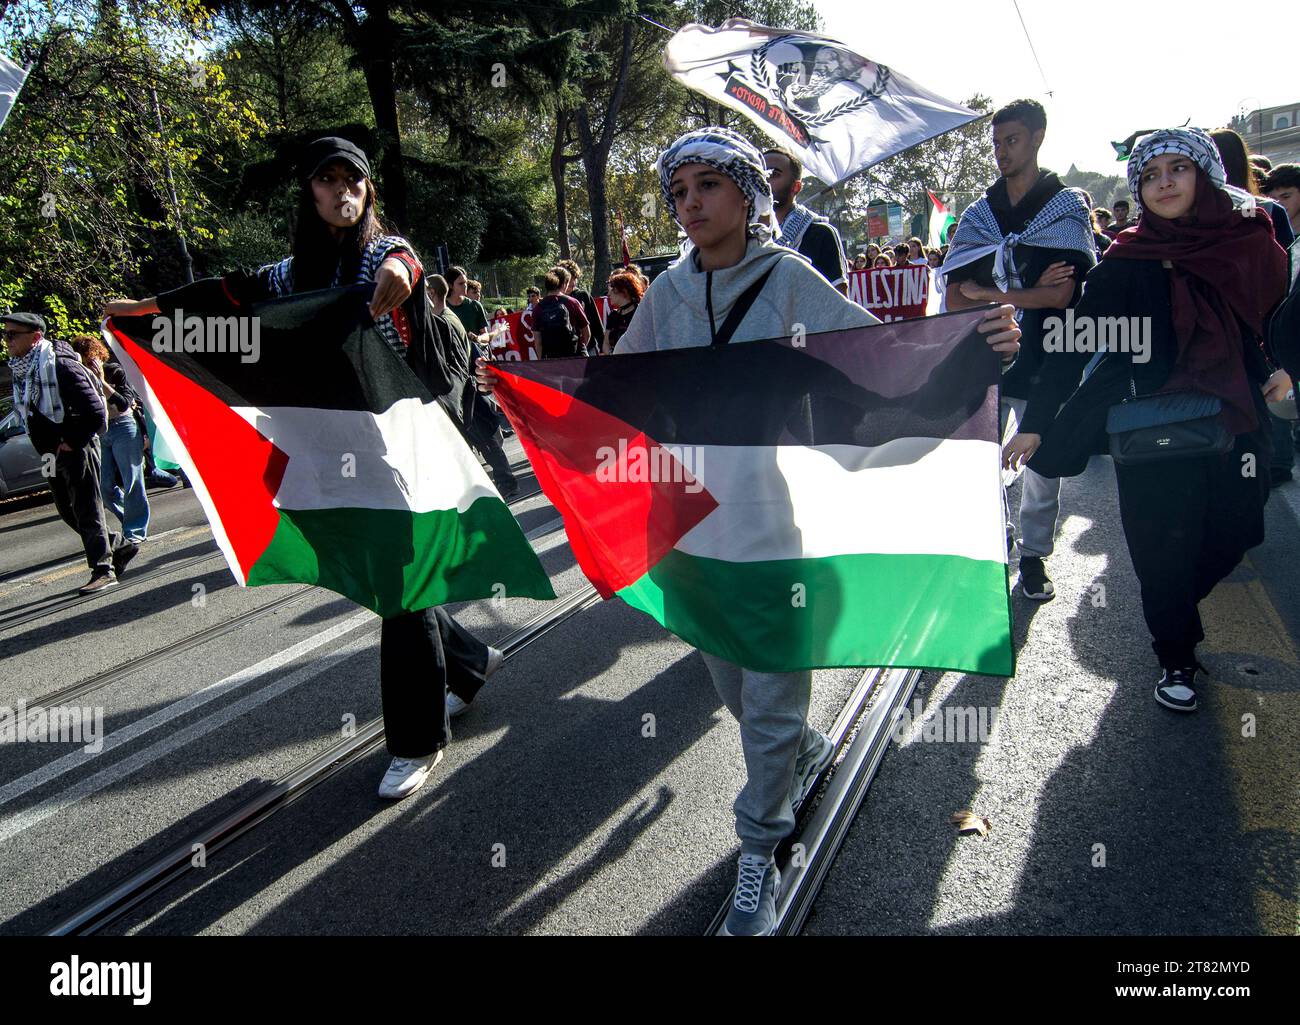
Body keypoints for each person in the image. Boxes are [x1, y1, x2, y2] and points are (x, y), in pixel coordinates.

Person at [478, 125, 1020, 936]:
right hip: (691, 531)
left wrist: (975, 356)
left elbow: (874, 362)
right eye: (679, 192)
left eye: (707, 186)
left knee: (764, 696)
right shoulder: (665, 294)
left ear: (748, 195)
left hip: (773, 530)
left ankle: (759, 854)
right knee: (732, 688)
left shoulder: (791, 281)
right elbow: (615, 389)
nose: (690, 204)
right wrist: (527, 387)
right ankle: (799, 747)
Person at [103, 136, 505, 797]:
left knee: (399, 588)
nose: (343, 191)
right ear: (311, 193)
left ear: (368, 191)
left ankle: (417, 740)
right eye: (328, 180)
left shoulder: (382, 253)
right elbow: (220, 297)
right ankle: (468, 658)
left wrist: (401, 276)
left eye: (354, 180)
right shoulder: (292, 274)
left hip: (402, 445)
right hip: (333, 449)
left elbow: (401, 263)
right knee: (381, 577)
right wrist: (142, 314)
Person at [1011, 127, 1290, 712]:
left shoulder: (1250, 242)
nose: (1164, 183)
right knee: (1160, 547)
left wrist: (1283, 365)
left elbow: (1276, 320)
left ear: (1204, 175)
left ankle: (1175, 605)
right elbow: (1072, 341)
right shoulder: (1127, 257)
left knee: (1241, 527)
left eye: (1178, 169)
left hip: (1234, 418)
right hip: (1146, 424)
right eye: (1151, 174)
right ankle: (1176, 655)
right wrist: (1037, 420)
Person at [943, 98, 1097, 603]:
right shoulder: (979, 213)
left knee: (1040, 464)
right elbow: (952, 296)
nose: (1001, 152)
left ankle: (1033, 556)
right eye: (996, 143)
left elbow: (1063, 296)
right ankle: (991, 544)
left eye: (1011, 140)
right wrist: (1013, 294)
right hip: (987, 353)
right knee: (978, 461)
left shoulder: (1066, 204)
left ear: (1037, 138)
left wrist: (988, 292)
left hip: (1050, 355)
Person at [4, 312, 132, 592]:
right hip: (50, 454)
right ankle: (117, 545)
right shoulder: (23, 368)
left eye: (12, 334)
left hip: (76, 448)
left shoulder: (60, 365)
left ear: (36, 336)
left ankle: (103, 569)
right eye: (5, 334)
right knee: (66, 508)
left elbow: (96, 412)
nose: (7, 340)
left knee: (87, 506)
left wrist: (72, 440)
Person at [428, 273, 519, 497]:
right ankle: (491, 485)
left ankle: (505, 483)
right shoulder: (442, 317)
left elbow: (456, 360)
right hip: (463, 388)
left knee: (483, 438)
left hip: (463, 389)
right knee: (474, 439)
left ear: (432, 293)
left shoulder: (445, 320)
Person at [70, 335, 150, 554]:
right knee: (104, 487)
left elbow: (124, 403)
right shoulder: (76, 376)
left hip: (123, 426)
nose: (88, 364)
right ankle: (129, 518)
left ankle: (135, 530)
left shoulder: (114, 370)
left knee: (131, 480)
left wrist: (100, 381)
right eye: (83, 361)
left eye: (90, 359)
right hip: (99, 431)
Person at [763, 147, 849, 294]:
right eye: (761, 172)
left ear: (796, 187)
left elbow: (839, 303)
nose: (765, 180)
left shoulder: (820, 234)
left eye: (774, 174)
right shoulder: (745, 236)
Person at [534, 266, 590, 357]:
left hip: (552, 360)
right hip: (575, 358)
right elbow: (587, 333)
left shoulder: (538, 308)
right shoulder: (573, 303)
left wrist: (542, 362)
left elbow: (538, 342)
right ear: (565, 283)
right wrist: (580, 348)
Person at [557, 258, 605, 355]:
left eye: (575, 278)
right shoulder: (554, 299)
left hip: (588, 348)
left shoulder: (582, 295)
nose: (573, 283)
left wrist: (603, 348)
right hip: (564, 352)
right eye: (570, 279)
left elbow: (596, 325)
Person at [446, 265, 492, 355]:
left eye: (466, 283)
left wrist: (478, 338)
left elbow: (486, 336)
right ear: (450, 285)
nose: (465, 286)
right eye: (461, 283)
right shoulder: (443, 307)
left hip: (475, 358)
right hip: (454, 359)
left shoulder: (475, 305)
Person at [601, 270, 642, 353]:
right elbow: (605, 344)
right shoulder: (613, 315)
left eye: (612, 290)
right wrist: (612, 356)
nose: (608, 294)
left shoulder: (639, 313)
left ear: (624, 291)